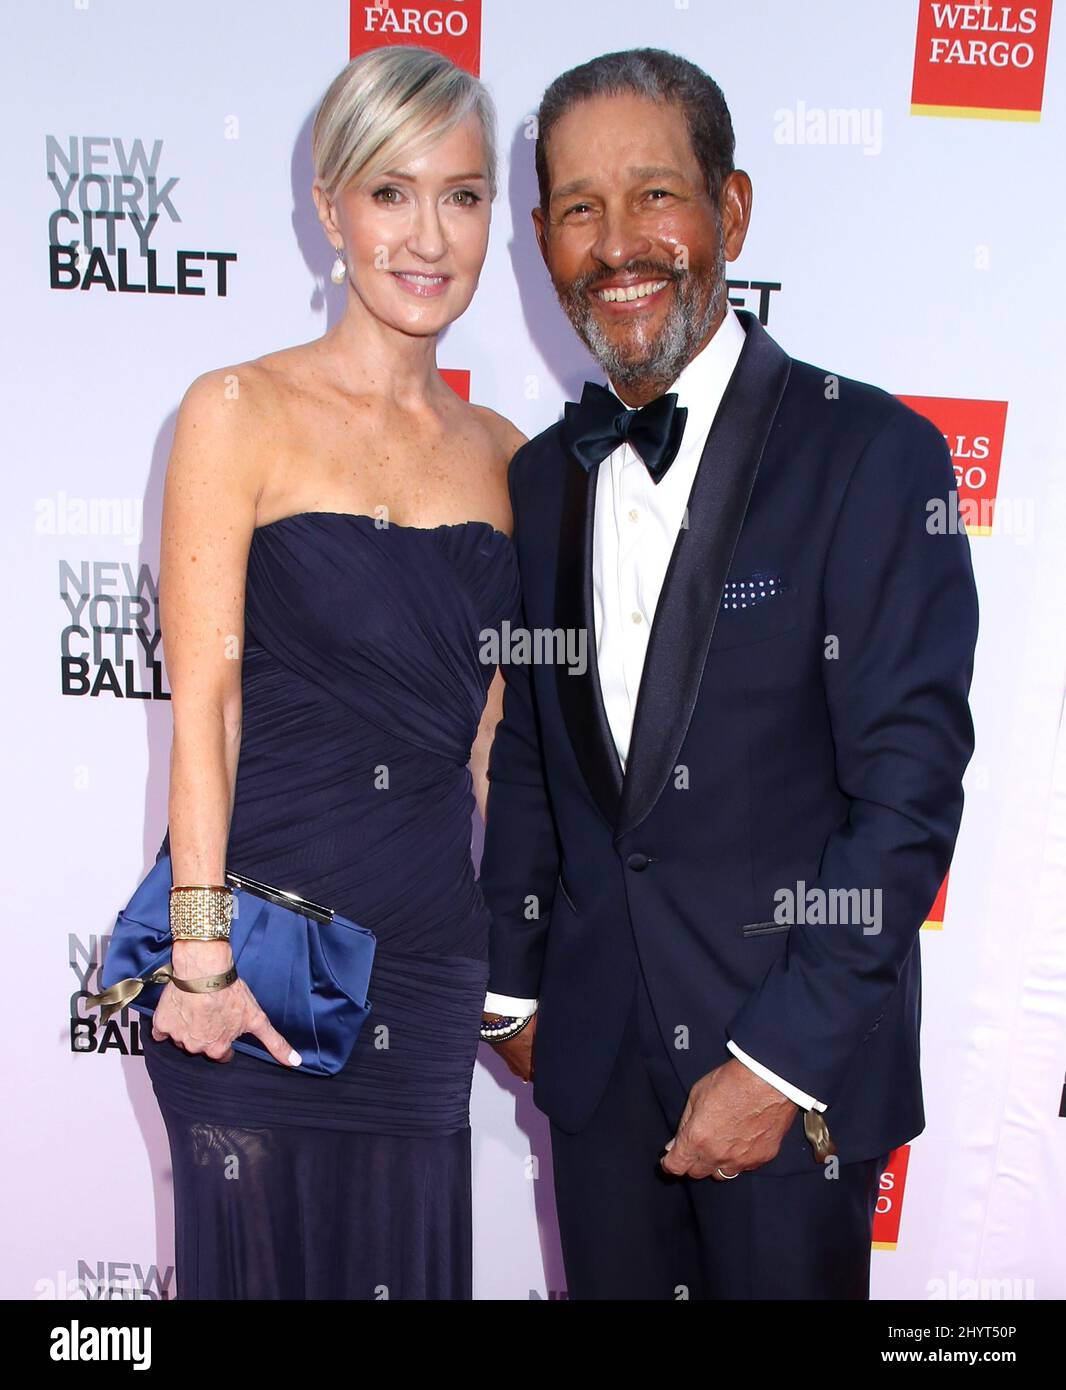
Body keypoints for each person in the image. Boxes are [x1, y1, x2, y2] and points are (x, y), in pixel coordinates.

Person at [480, 48, 979, 1300]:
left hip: (788, 1086)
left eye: (654, 195)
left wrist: (776, 1065)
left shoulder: (872, 455)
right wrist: (510, 994)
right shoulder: (542, 482)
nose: (616, 244)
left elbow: (906, 799)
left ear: (731, 210)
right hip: (593, 1080)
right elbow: (541, 759)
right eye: (580, 209)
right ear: (541, 238)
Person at [140, 45, 523, 1300]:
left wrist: (521, 966)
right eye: (390, 192)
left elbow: (490, 754)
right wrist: (198, 955)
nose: (428, 234)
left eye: (462, 196)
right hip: (256, 964)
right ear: (329, 209)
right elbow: (208, 699)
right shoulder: (236, 410)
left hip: (423, 964)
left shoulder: (506, 460)